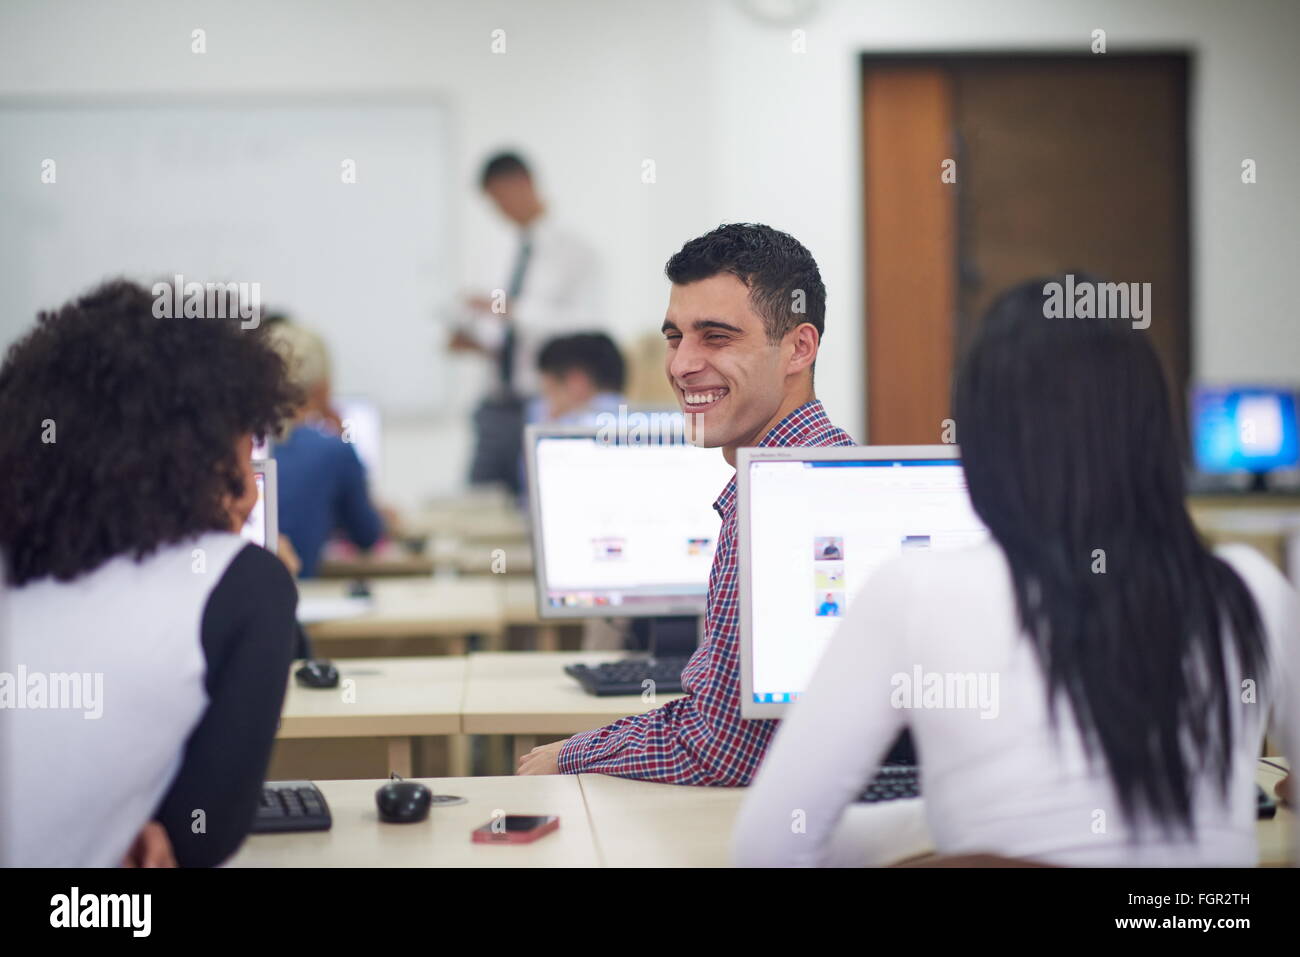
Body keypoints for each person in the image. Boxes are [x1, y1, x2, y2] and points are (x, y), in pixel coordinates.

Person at [732, 277, 1300, 867]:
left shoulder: (916, 594)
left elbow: (768, 848)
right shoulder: (1252, 590)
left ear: (980, 443)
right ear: (1157, 436)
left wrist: (953, 824)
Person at [517, 223, 855, 782]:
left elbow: (717, 748)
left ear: (799, 348)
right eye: (676, 337)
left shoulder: (778, 498)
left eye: (716, 337)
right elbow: (724, 722)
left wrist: (568, 756)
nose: (679, 365)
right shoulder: (821, 463)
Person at [0, 279, 300, 867]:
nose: (248, 483)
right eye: (245, 440)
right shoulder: (243, 586)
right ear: (204, 455)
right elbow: (193, 842)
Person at [455, 151, 604, 491]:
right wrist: (477, 341)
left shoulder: (575, 252)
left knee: (539, 499)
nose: (500, 211)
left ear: (522, 184)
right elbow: (504, 334)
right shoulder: (501, 250)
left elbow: (585, 329)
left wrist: (514, 311)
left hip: (543, 403)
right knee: (480, 504)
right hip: (495, 405)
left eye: (500, 198)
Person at [266, 322, 384, 578]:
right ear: (322, 388)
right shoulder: (331, 450)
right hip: (298, 598)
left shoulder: (242, 444)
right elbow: (367, 535)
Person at [534, 331, 627, 426]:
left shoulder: (568, 428)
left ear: (576, 382)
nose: (548, 407)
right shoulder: (637, 421)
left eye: (550, 391)